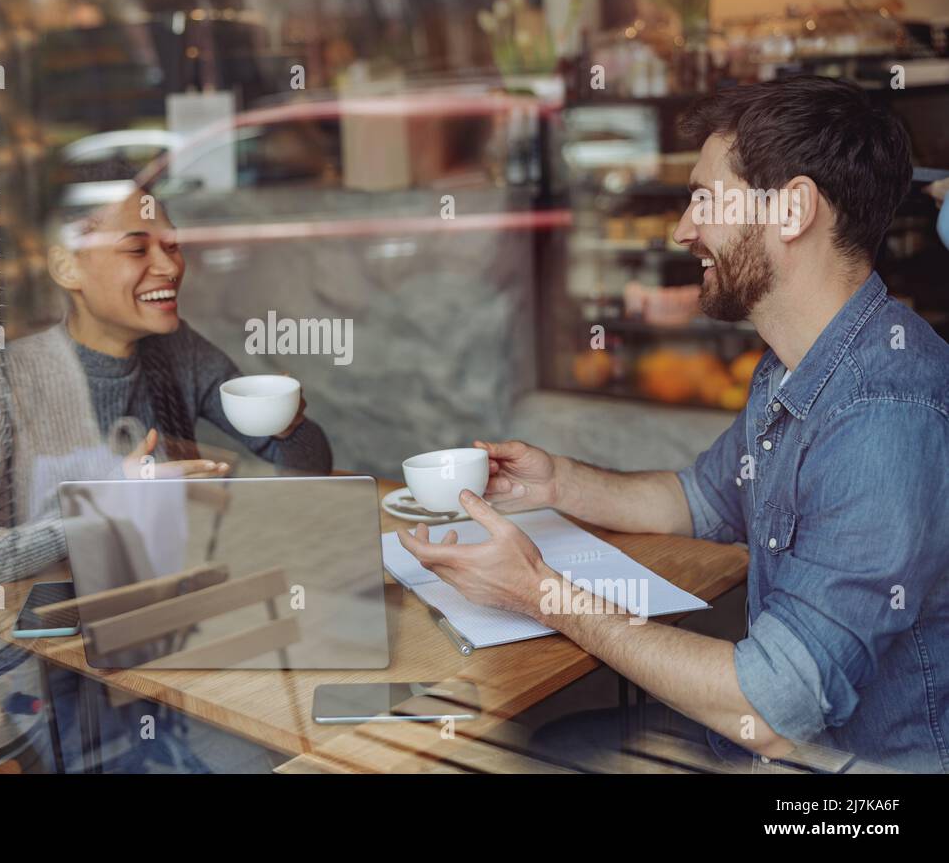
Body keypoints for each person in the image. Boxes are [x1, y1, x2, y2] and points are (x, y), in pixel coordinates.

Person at [398, 75, 949, 773]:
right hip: (770, 748)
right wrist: (558, 481)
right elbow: (702, 498)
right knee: (548, 743)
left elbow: (776, 709)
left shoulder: (883, 417)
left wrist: (541, 593)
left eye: (704, 199)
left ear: (793, 210)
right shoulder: (799, 367)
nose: (685, 229)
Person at [0, 187, 332, 772]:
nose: (170, 266)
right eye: (137, 248)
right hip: (48, 673)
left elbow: (306, 464)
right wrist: (101, 509)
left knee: (290, 751)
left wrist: (287, 420)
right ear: (68, 267)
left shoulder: (177, 351)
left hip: (167, 642)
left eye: (172, 246)